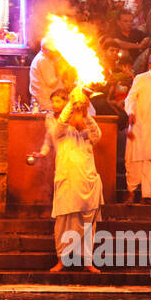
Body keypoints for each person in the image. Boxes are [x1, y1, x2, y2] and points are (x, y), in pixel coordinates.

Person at [45, 87, 103, 273]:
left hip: (88, 183)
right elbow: (62, 121)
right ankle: (62, 260)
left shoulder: (87, 134)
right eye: (74, 115)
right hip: (68, 183)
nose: (75, 118)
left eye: (78, 115)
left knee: (88, 225)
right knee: (63, 223)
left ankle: (87, 262)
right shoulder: (61, 133)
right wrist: (72, 102)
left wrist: (85, 114)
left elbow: (97, 134)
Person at [124, 53, 151, 204]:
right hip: (140, 124)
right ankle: (131, 192)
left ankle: (148, 195)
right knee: (135, 158)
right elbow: (130, 98)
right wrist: (131, 112)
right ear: (150, 64)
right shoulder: (141, 78)